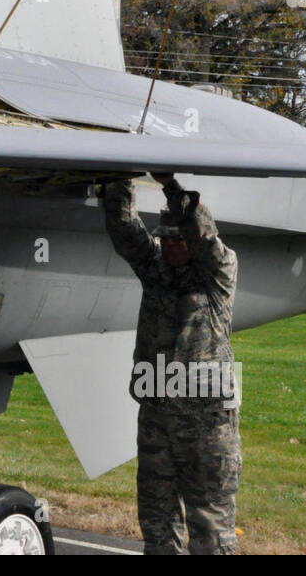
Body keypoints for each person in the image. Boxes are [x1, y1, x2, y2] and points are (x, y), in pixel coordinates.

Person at [102, 172, 241, 555]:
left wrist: (170, 185)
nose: (168, 246)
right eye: (164, 239)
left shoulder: (216, 273)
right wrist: (120, 175)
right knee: (156, 518)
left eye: (177, 240)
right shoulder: (155, 270)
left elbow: (205, 235)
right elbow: (124, 229)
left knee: (209, 521)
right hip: (157, 416)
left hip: (206, 423)